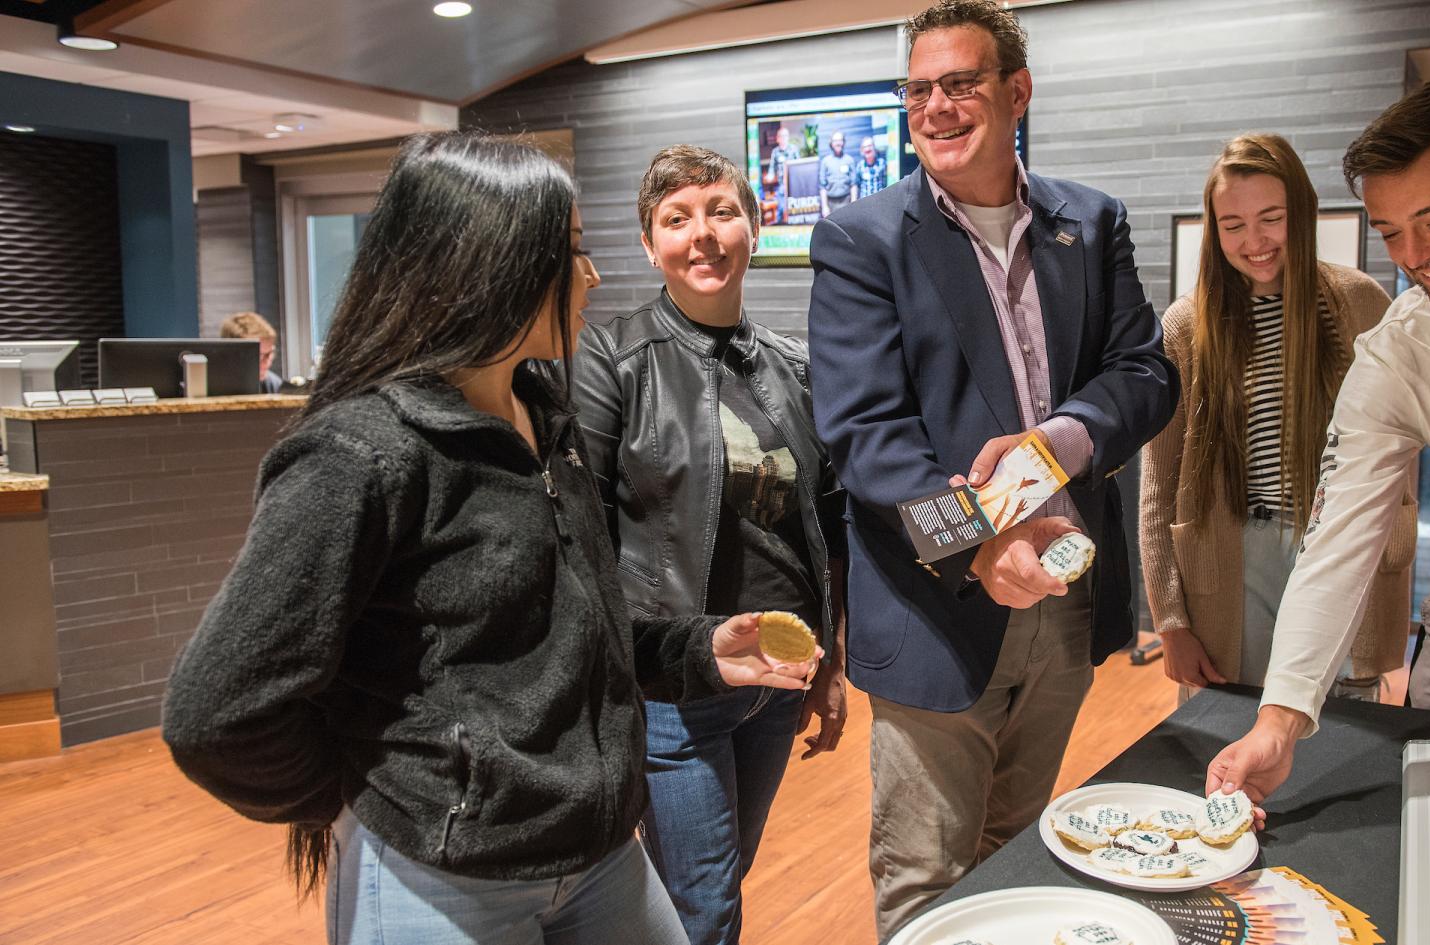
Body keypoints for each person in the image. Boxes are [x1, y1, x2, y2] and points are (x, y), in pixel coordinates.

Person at [159, 132, 818, 945]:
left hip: (599, 851)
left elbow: (570, 623)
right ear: (492, 264)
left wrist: (696, 650)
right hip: (445, 879)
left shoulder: (544, 415)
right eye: (571, 253)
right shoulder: (362, 452)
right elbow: (214, 711)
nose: (594, 276)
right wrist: (399, 796)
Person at [807, 1, 1177, 936]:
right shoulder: (862, 240)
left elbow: (1144, 371)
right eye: (917, 89)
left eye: (960, 84)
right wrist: (975, 542)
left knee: (1025, 854)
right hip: (937, 610)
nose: (935, 106)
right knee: (928, 879)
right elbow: (866, 439)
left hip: (1066, 597)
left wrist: (1059, 442)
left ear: (1017, 91)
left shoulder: (1091, 224)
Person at [1206, 79, 1430, 809]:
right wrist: (1280, 719)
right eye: (1391, 229)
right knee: (1428, 782)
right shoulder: (1401, 346)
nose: (1415, 255)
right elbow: (1340, 531)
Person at [570, 145, 848, 945]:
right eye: (677, 219)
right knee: (706, 907)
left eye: (722, 211)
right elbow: (582, 533)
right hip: (676, 691)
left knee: (718, 881)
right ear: (651, 243)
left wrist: (830, 662)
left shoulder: (794, 366)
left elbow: (825, 530)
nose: (703, 235)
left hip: (778, 677)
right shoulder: (614, 356)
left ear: (755, 230)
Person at [1138, 132, 1412, 703]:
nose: (1254, 241)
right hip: (1232, 560)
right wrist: (1169, 619)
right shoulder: (1187, 327)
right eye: (1232, 225)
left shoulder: (1361, 304)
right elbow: (1158, 487)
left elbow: (1400, 447)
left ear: (1301, 215)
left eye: (1271, 219)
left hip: (1340, 551)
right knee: (1227, 734)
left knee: (1338, 731)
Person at [220, 310, 283, 393]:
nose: (266, 363)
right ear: (232, 355)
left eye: (269, 354)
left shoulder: (273, 384)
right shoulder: (208, 389)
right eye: (258, 356)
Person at [764, 126, 800, 223]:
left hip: (794, 186)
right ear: (777, 138)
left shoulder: (794, 149)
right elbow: (772, 167)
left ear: (788, 137)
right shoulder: (775, 152)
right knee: (780, 209)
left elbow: (799, 166)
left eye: (785, 136)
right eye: (781, 136)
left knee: (794, 210)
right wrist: (770, 175)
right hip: (781, 186)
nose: (783, 138)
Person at [819, 131, 856, 216]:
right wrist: (825, 207)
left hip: (847, 201)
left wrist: (854, 204)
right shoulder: (825, 162)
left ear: (843, 142)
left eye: (840, 140)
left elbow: (853, 184)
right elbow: (822, 187)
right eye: (835, 140)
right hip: (831, 203)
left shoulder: (849, 160)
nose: (838, 143)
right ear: (831, 143)